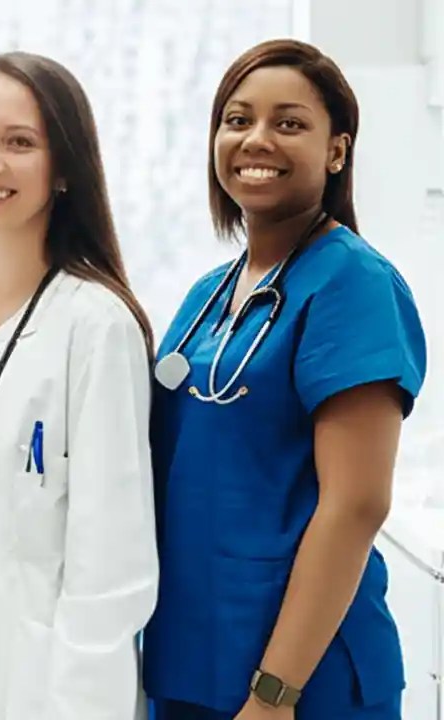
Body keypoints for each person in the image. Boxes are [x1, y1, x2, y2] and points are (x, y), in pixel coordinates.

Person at [143, 39, 428, 720]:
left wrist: (275, 693)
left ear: (337, 151)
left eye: (289, 123)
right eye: (237, 120)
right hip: (193, 664)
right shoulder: (207, 296)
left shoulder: (353, 284)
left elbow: (356, 505)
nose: (257, 140)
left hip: (301, 681)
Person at [0, 50, 159, 719]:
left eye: (19, 143)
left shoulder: (96, 325)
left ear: (63, 170)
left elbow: (110, 570)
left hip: (51, 697)